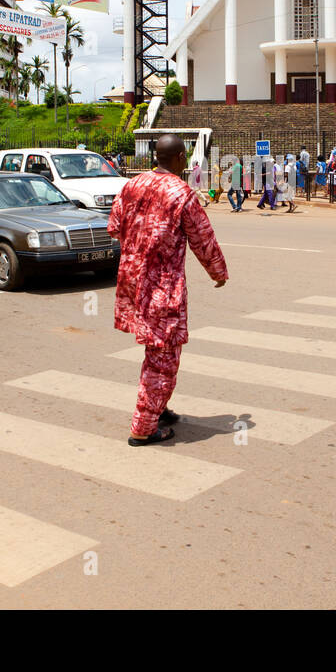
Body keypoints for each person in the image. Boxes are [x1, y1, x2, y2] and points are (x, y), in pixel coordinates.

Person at [108, 134, 228, 446]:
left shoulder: (131, 185)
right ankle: (144, 426)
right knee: (163, 356)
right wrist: (218, 272)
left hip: (133, 281)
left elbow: (114, 227)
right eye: (185, 156)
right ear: (176, 158)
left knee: (155, 350)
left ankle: (157, 408)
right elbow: (202, 238)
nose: (187, 161)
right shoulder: (181, 193)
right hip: (162, 288)